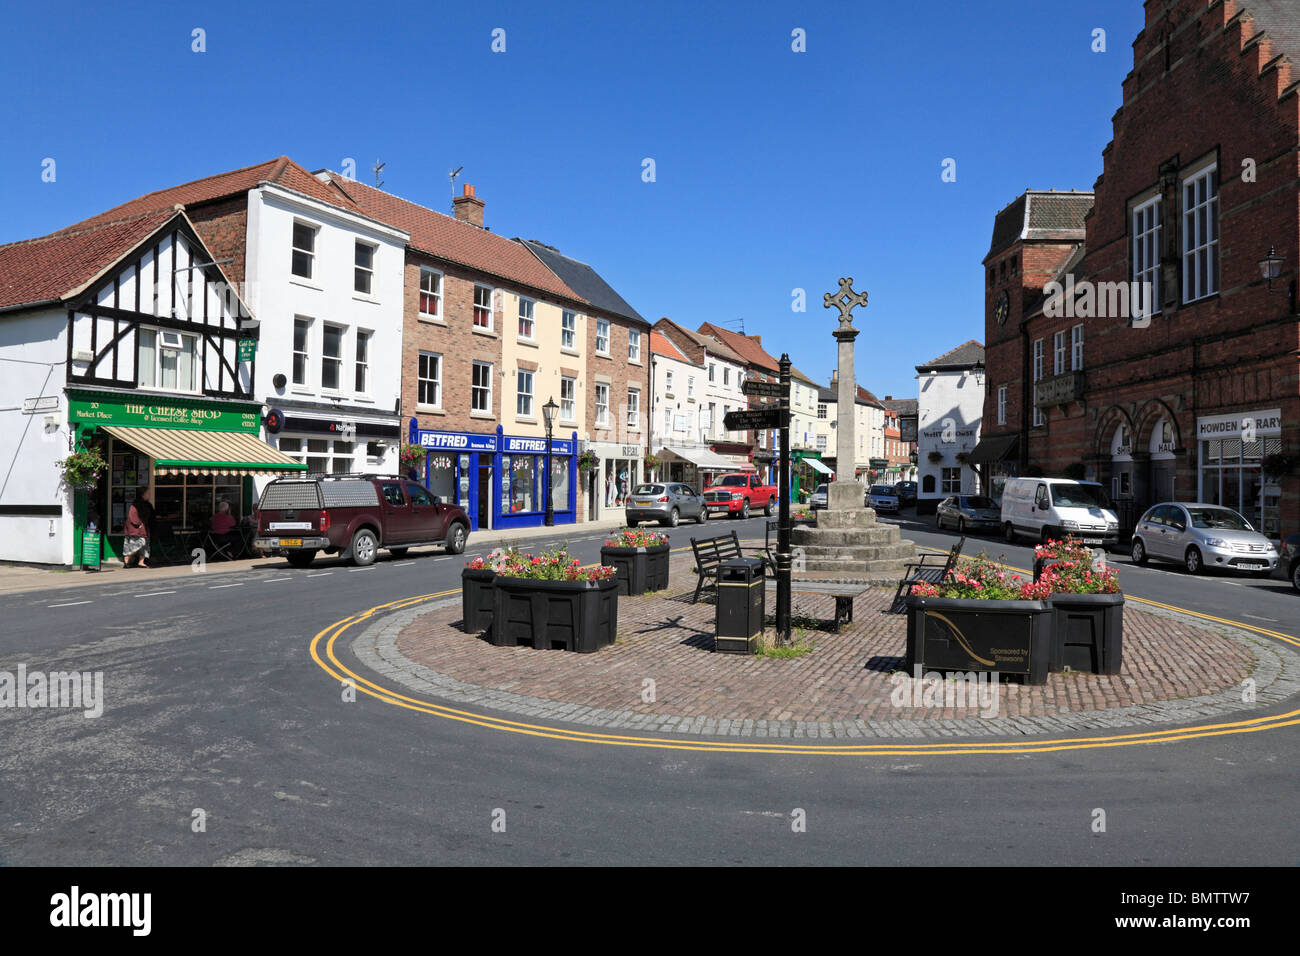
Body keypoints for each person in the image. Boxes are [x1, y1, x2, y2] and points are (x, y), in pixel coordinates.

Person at [123, 486, 153, 568]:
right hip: (135, 528)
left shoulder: (147, 503)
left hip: (144, 527)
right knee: (139, 543)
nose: (149, 495)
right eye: (148, 493)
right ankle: (127, 557)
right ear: (143, 494)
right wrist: (139, 524)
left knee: (145, 544)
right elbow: (132, 515)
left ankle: (141, 561)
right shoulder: (136, 503)